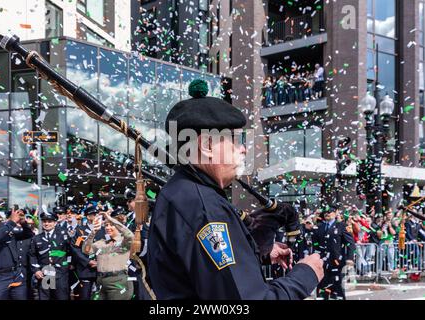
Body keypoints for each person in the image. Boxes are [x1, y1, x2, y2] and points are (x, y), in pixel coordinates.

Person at [148, 79, 323, 300]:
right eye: (235, 139)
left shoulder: (186, 193)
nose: (243, 149)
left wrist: (258, 254)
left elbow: (203, 274)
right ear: (207, 146)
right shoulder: (203, 207)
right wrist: (305, 275)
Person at [83, 210, 134, 300]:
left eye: (111, 225)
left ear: (118, 226)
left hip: (118, 282)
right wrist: (93, 232)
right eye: (106, 225)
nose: (108, 227)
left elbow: (130, 236)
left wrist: (110, 218)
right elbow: (86, 250)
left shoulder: (124, 242)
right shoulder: (102, 243)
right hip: (101, 282)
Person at [312, 205, 355, 300]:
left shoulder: (342, 226)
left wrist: (350, 258)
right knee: (322, 286)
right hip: (322, 263)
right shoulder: (319, 227)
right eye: (325, 212)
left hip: (337, 262)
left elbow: (350, 243)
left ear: (335, 213)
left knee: (338, 287)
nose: (327, 213)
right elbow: (315, 245)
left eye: (330, 211)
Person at [29, 209, 72, 300]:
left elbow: (71, 251)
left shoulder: (63, 236)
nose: (47, 224)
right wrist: (36, 270)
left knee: (61, 297)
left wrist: (69, 264)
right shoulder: (37, 238)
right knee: (46, 297)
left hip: (60, 273)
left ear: (55, 223)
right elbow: (32, 255)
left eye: (50, 221)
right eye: (44, 221)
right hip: (45, 274)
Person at [71, 206, 105, 300]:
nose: (96, 217)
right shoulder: (80, 230)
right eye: (93, 215)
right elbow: (75, 248)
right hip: (85, 269)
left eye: (97, 215)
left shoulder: (104, 230)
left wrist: (101, 262)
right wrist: (88, 261)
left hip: (101, 269)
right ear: (88, 217)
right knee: (85, 296)